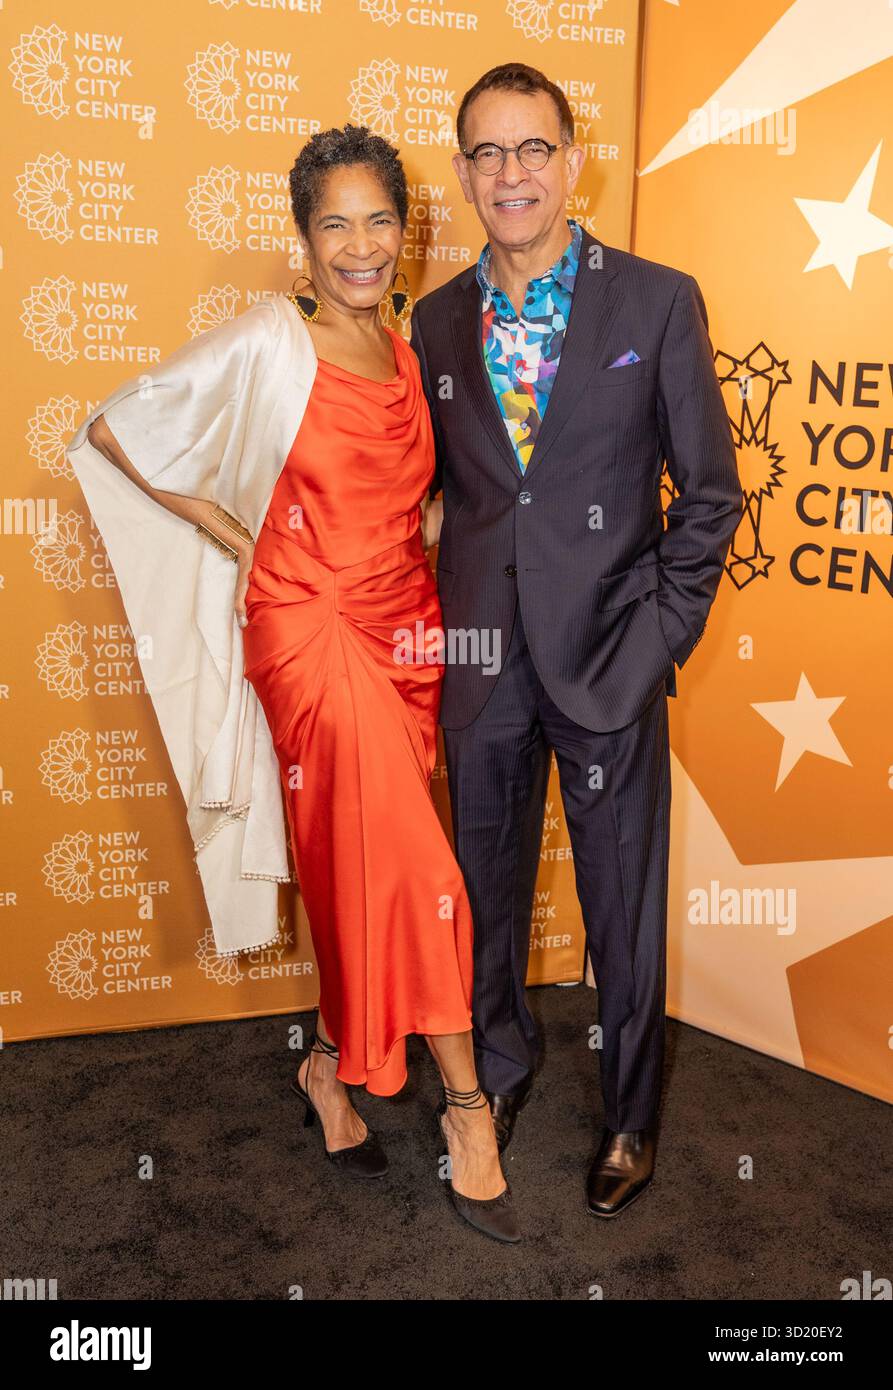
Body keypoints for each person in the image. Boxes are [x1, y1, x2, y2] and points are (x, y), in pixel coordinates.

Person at [72, 124, 520, 1245]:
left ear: (403, 231)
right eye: (336, 224)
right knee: (421, 873)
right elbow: (118, 427)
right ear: (302, 238)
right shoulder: (275, 337)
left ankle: (326, 1066)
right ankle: (466, 1108)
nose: (360, 246)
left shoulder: (414, 352)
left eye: (380, 221)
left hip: (402, 632)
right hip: (308, 631)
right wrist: (241, 539)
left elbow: (403, 499)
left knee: (363, 872)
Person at [410, 64, 744, 1218]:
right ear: (461, 175)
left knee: (619, 909)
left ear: (571, 160)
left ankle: (626, 1117)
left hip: (610, 662)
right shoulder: (435, 318)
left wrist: (654, 642)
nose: (512, 174)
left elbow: (708, 498)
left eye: (533, 149)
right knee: (484, 897)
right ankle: (494, 1073)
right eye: (488, 154)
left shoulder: (653, 302)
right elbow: (450, 494)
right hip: (480, 667)